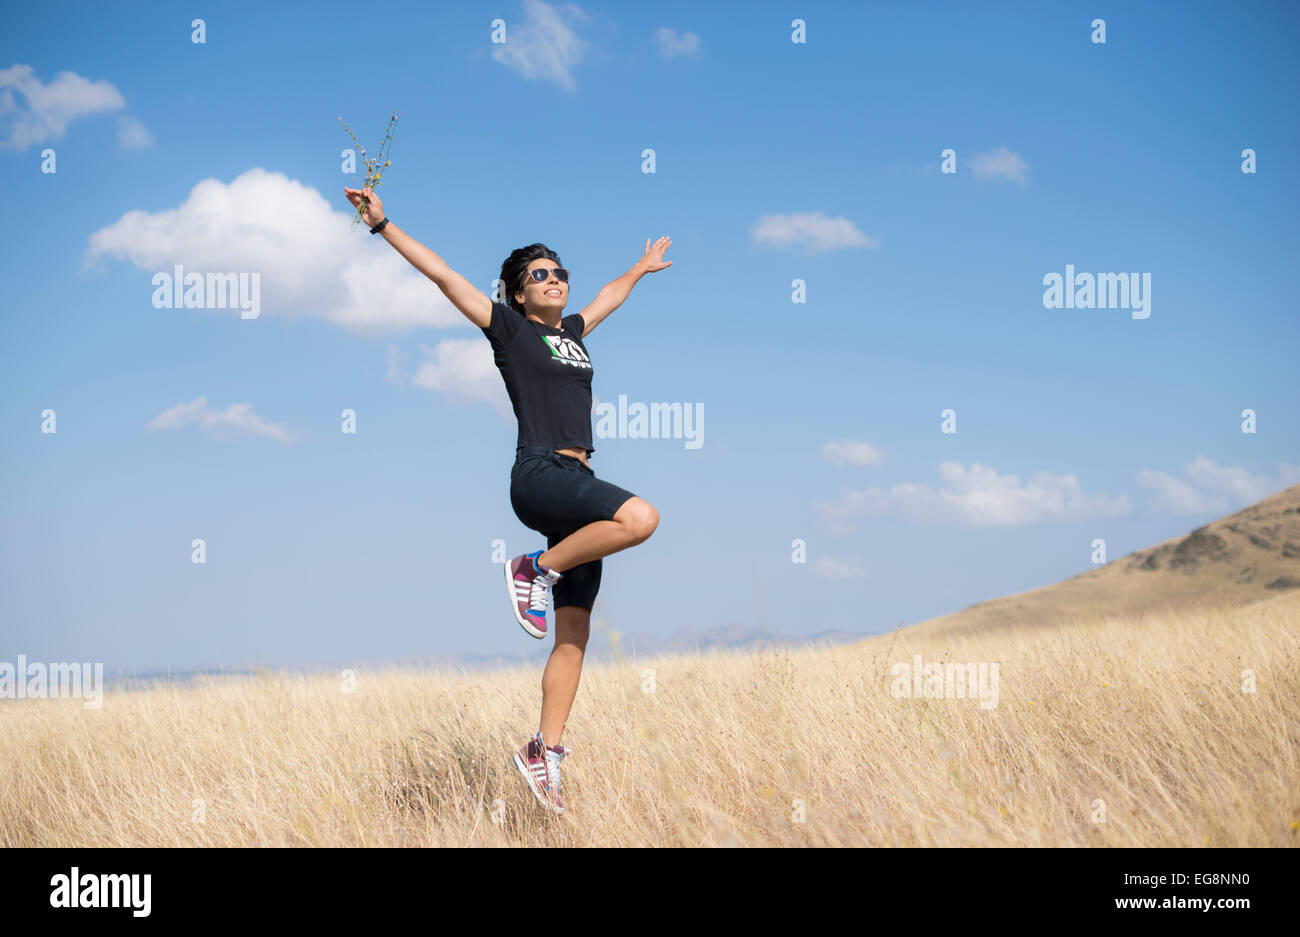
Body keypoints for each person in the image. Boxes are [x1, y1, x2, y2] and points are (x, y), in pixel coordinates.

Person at [343, 185, 671, 815]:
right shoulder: (511, 332)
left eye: (559, 272)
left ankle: (543, 754)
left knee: (573, 632)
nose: (555, 280)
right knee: (640, 517)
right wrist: (383, 226)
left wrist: (638, 268)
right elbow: (443, 276)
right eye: (539, 274)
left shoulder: (573, 332)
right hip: (541, 474)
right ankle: (533, 570)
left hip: (576, 487)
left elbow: (607, 299)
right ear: (517, 291)